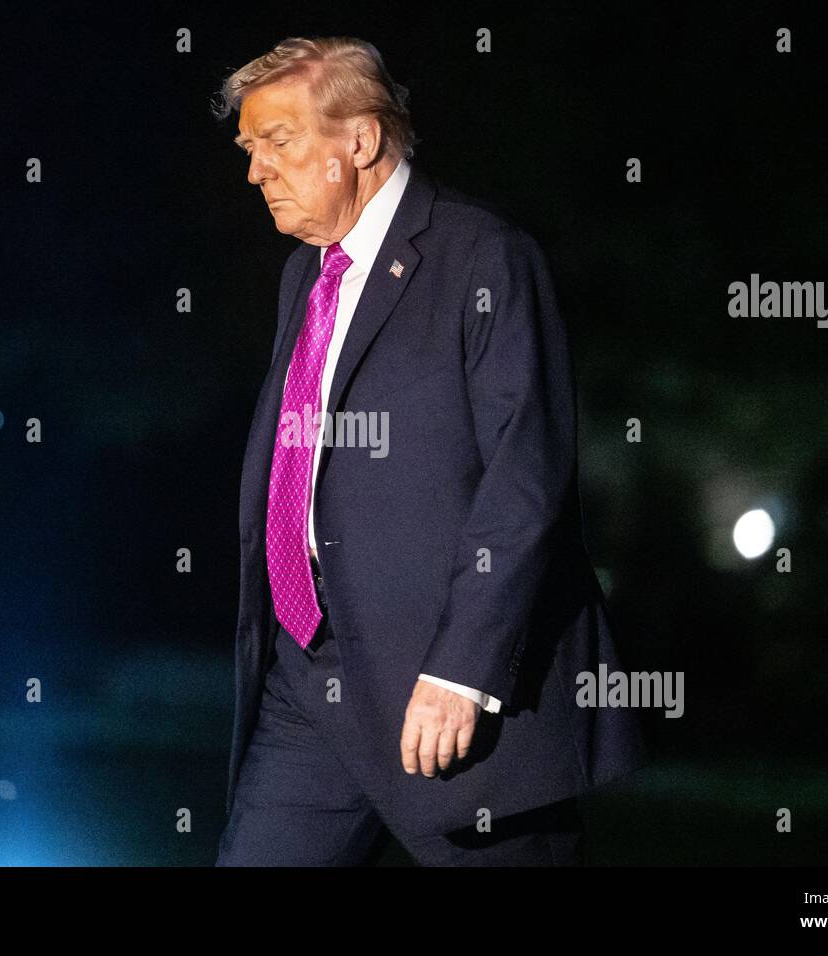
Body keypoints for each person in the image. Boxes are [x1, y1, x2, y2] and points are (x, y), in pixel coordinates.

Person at [211, 35, 649, 866]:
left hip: (450, 689)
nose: (256, 170)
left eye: (278, 142)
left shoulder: (485, 255)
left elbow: (526, 478)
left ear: (361, 140)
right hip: (308, 678)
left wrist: (462, 671)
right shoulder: (305, 275)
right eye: (249, 148)